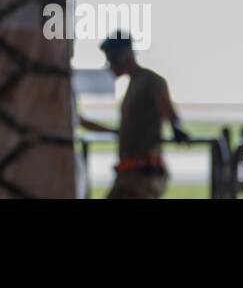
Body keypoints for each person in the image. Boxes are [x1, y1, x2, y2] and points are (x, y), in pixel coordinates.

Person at [78, 33, 190, 199]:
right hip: (130, 175)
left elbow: (169, 112)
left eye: (111, 59)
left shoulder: (151, 81)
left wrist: (176, 128)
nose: (109, 65)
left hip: (142, 177)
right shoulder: (136, 84)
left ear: (123, 56)